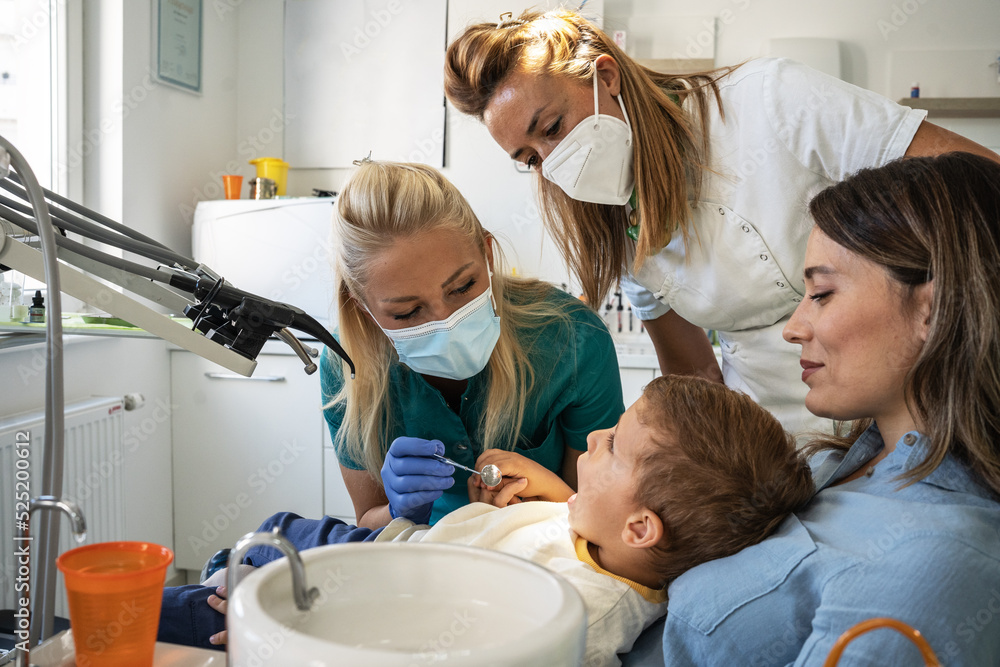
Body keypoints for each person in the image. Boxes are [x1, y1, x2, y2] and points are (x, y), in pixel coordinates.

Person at [443, 9, 1000, 436]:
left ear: (605, 76)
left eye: (554, 126)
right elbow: (694, 377)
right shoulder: (619, 225)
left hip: (921, 401)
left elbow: (980, 186)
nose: (552, 160)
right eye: (531, 158)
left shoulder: (767, 102)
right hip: (781, 435)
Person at [158, 374, 816, 665]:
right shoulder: (613, 545)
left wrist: (279, 645)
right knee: (273, 534)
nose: (591, 440)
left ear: (642, 526)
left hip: (369, 588)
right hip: (390, 546)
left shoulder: (584, 624)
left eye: (611, 444)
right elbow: (582, 540)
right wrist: (560, 495)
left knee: (172, 613)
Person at [660, 152, 1000, 665]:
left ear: (932, 310)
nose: (793, 329)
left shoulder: (930, 562)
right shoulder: (845, 461)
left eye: (821, 293)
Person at [323, 159, 624, 528]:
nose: (445, 322)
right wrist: (399, 512)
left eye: (463, 287)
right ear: (364, 308)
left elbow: (604, 521)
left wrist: (542, 492)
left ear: (488, 253)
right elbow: (367, 522)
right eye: (407, 312)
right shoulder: (346, 363)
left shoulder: (572, 338)